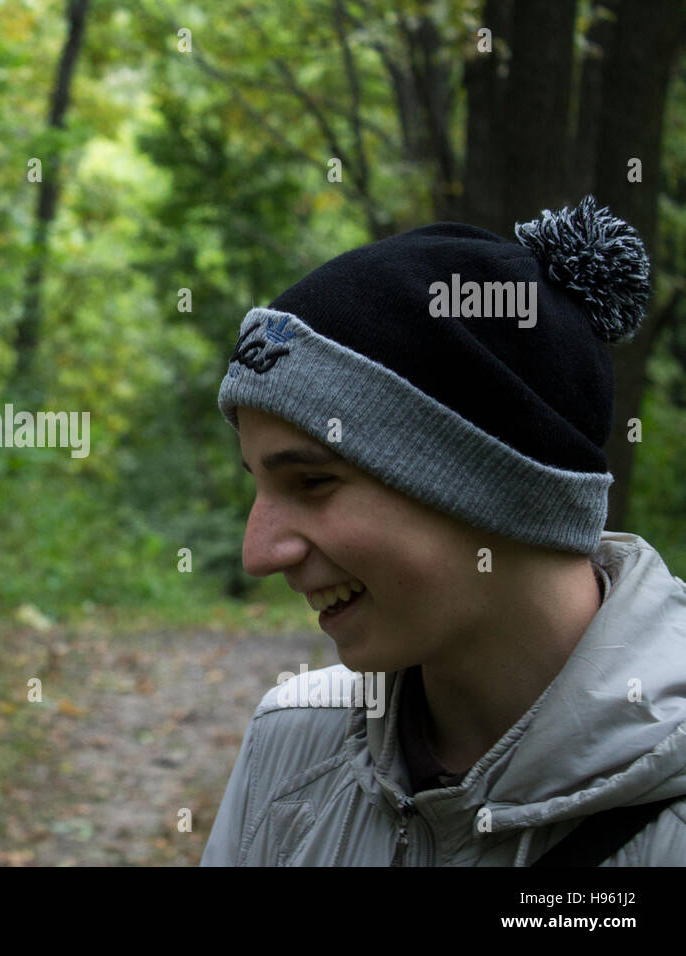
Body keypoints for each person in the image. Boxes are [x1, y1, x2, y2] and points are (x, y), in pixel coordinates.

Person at [202, 197, 686, 866]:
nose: (259, 554)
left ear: (496, 493)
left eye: (312, 483)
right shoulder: (291, 743)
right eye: (257, 482)